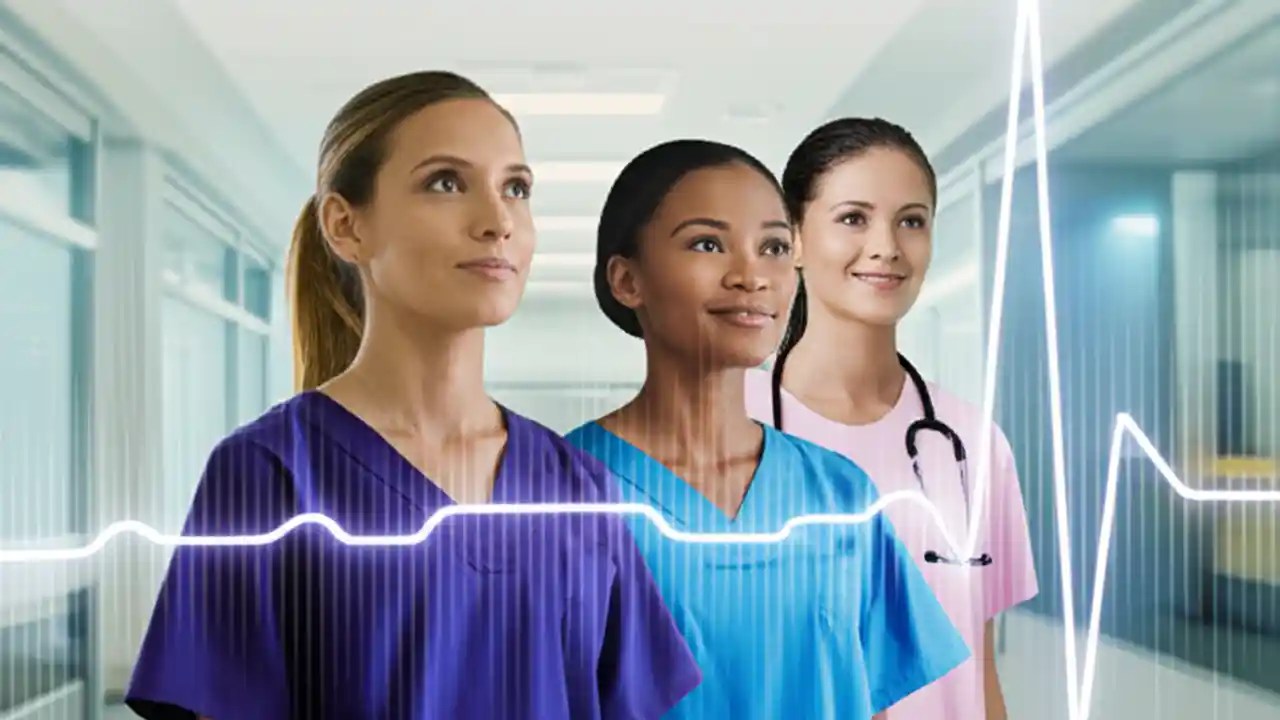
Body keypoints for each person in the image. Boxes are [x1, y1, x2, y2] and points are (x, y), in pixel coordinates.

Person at [124, 71, 700, 720]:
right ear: (347, 227)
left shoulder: (578, 485)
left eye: (516, 188)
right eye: (446, 183)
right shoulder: (271, 472)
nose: (498, 221)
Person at [564, 138, 970, 720]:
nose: (752, 275)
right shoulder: (560, 492)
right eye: (707, 244)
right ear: (628, 281)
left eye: (775, 247)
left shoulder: (840, 493)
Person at [745, 117, 1038, 720]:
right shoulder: (723, 425)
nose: (887, 246)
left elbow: (979, 676)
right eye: (853, 218)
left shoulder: (972, 444)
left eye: (912, 221)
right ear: (793, 237)